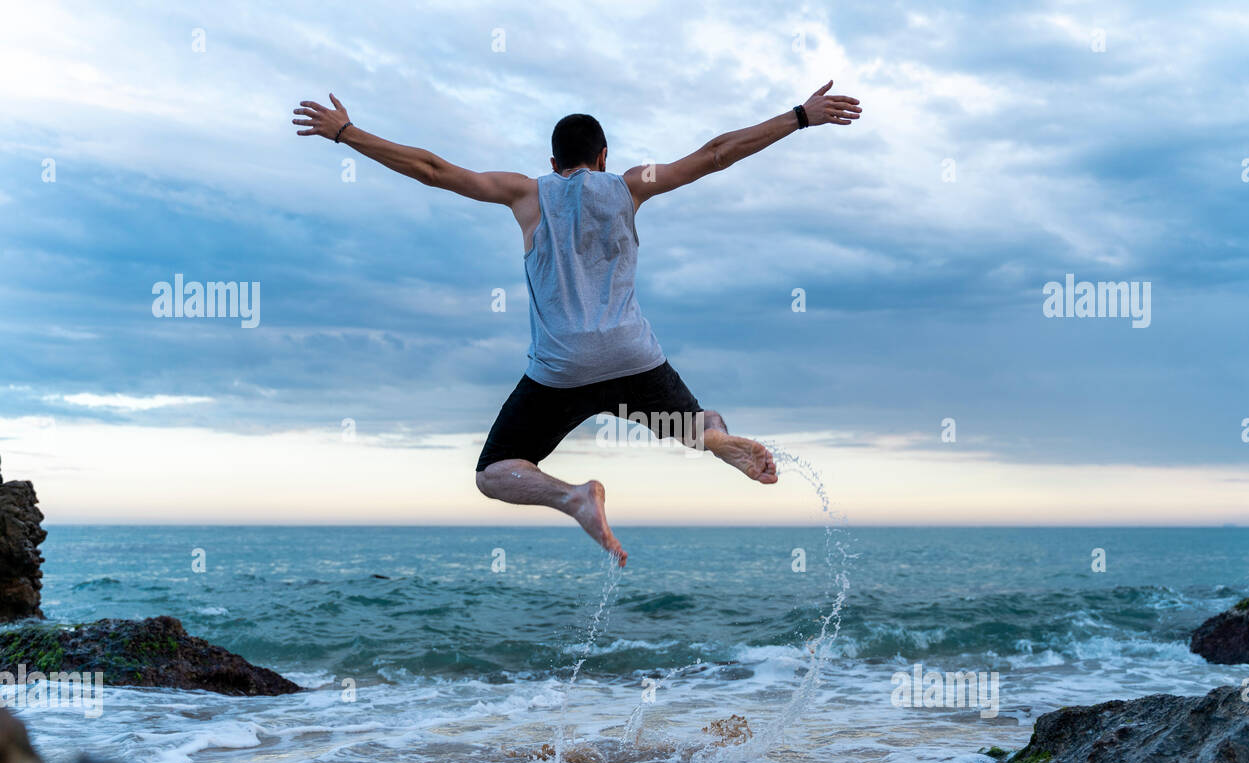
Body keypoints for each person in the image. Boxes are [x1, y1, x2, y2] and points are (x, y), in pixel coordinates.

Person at [294, 83, 861, 565]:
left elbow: (433, 170)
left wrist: (346, 133)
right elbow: (715, 153)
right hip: (632, 356)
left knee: (494, 471)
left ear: (552, 163)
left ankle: (573, 498)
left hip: (560, 369)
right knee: (699, 422)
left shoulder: (525, 194)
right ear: (604, 157)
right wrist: (800, 117)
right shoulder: (633, 185)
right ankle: (710, 439)